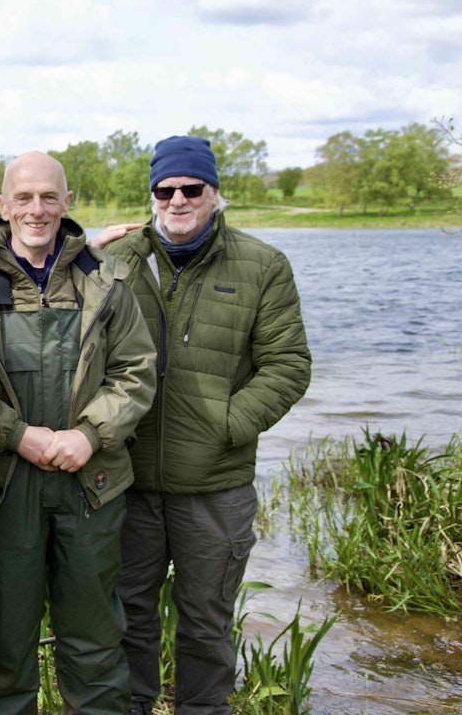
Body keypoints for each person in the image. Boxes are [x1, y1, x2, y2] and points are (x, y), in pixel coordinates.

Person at [101, 135, 312, 715]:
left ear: (214, 194)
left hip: (216, 490)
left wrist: (225, 424)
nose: (176, 200)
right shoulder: (116, 261)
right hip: (128, 483)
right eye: (164, 190)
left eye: (191, 188)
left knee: (205, 627)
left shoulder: (263, 265)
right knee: (128, 620)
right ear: (152, 196)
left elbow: (288, 366)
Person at [0, 151, 157, 715]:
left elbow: (135, 372)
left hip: (91, 485)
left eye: (49, 197)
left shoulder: (109, 280)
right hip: (3, 487)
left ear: (68, 203)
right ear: (2, 206)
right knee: (2, 647)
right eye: (23, 197)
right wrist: (18, 435)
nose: (36, 209)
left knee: (95, 641)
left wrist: (91, 435)